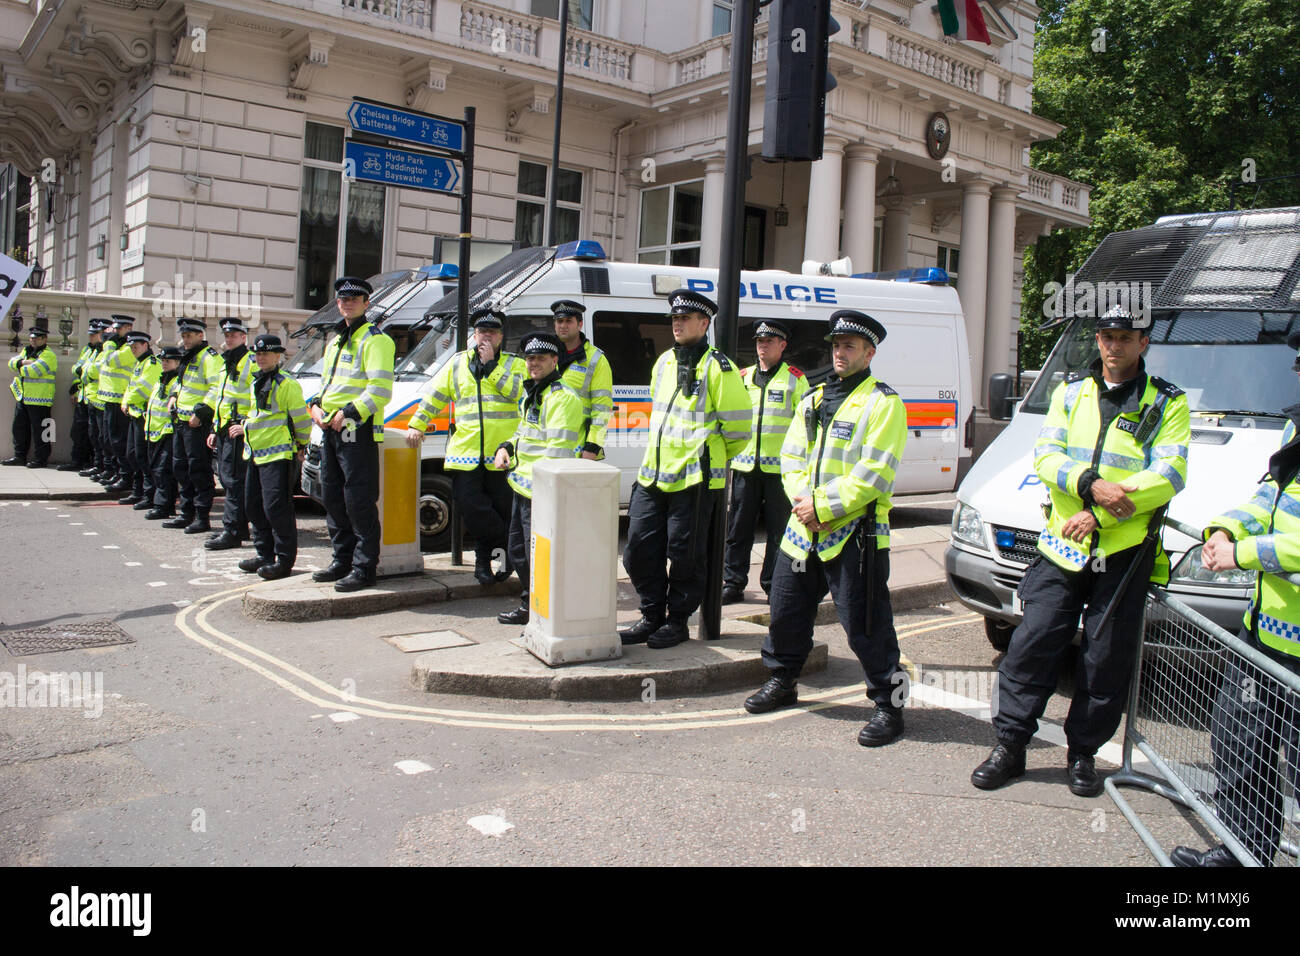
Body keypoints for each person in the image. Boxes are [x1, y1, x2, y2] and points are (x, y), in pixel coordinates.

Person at [971, 305, 1190, 796]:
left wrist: (1105, 513)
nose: (1114, 346)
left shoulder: (1166, 403)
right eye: (1106, 336)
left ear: (1143, 343)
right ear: (1097, 341)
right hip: (1062, 547)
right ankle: (1010, 746)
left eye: (1124, 337)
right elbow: (1047, 457)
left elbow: (1170, 475)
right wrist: (1091, 484)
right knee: (1032, 646)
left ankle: (1083, 755)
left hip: (1124, 552)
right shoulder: (1070, 395)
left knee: (1104, 658)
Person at [743, 310, 910, 748]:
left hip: (856, 533)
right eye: (836, 345)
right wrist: (804, 505)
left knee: (866, 624)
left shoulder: (884, 403)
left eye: (849, 346)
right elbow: (791, 457)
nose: (839, 352)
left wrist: (821, 506)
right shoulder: (814, 397)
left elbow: (875, 473)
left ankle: (889, 706)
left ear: (870, 353)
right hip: (803, 531)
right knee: (786, 611)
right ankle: (783, 681)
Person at [1170, 331, 1300, 867]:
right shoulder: (1298, 424)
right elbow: (1267, 495)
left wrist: (1243, 552)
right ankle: (1242, 853)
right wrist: (1224, 529)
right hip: (1266, 636)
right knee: (1241, 746)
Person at [619, 289, 751, 649]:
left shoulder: (718, 367)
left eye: (685, 318)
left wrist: (709, 457)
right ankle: (651, 615)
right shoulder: (662, 362)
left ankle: (677, 622)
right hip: (653, 475)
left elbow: (739, 431)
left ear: (704, 323)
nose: (677, 323)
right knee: (637, 550)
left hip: (695, 477)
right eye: (674, 319)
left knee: (685, 556)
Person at [406, 307, 524, 586]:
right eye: (482, 331)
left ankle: (488, 564)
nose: (487, 336)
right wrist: (417, 424)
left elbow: (520, 394)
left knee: (501, 508)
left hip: (502, 453)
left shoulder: (514, 364)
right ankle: (507, 545)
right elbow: (434, 396)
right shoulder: (458, 363)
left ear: (500, 336)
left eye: (492, 332)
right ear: (474, 335)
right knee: (471, 507)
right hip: (465, 452)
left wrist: (493, 367)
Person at [492, 331, 586, 625]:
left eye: (540, 358)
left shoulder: (562, 398)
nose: (533, 363)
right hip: (523, 487)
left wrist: (542, 490)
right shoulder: (533, 393)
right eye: (529, 358)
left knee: (541, 556)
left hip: (542, 492)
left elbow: (557, 453)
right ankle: (530, 606)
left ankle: (544, 613)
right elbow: (524, 433)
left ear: (555, 360)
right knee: (520, 553)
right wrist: (506, 447)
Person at [309, 276, 395, 593]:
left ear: (366, 303)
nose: (347, 303)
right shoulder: (335, 341)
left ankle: (364, 567)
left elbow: (380, 391)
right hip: (329, 429)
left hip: (356, 432)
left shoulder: (376, 340)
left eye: (354, 299)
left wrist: (348, 413)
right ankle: (341, 560)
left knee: (358, 501)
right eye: (343, 299)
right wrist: (316, 407)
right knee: (332, 497)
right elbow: (326, 388)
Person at [722, 319, 809, 604]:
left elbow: (806, 427)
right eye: (759, 341)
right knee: (738, 530)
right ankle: (733, 583)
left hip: (780, 472)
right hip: (745, 468)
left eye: (769, 342)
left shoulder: (796, 379)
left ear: (782, 346)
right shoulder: (742, 376)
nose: (763, 346)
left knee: (778, 532)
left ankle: (773, 584)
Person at [236, 334, 310, 581]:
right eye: (257, 354)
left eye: (266, 353)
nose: (261, 358)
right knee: (254, 507)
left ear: (278, 356)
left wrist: (302, 443)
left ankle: (283, 560)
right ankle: (264, 554)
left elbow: (301, 417)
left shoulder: (286, 383)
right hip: (256, 454)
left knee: (276, 509)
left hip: (278, 454)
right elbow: (255, 414)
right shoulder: (255, 380)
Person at [165, 317, 224, 533]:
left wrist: (201, 412)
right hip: (181, 421)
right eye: (183, 336)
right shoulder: (188, 357)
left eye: (189, 335)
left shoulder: (209, 358)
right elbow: (182, 383)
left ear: (201, 335)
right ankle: (186, 513)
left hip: (196, 424)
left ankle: (201, 517)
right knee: (181, 468)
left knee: (198, 470)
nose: (185, 340)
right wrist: (173, 395)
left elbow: (216, 387)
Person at [205, 317, 254, 551]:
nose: (229, 339)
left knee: (234, 480)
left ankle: (232, 531)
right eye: (227, 335)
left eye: (233, 335)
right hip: (225, 427)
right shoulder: (226, 361)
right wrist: (215, 428)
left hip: (239, 428)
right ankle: (239, 527)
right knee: (228, 478)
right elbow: (221, 398)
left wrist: (246, 423)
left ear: (244, 337)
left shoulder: (250, 361)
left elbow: (260, 398)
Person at [550, 299, 613, 460]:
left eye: (568, 321)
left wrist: (592, 447)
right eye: (559, 321)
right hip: (549, 448)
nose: (563, 325)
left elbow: (602, 409)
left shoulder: (596, 359)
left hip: (580, 450)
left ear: (579, 324)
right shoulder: (545, 357)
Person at [4, 324, 58, 468]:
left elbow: (34, 372)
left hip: (41, 399)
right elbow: (10, 363)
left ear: (44, 339)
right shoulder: (27, 351)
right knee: (19, 428)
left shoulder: (49, 355)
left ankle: (42, 459)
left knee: (43, 431)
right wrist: (24, 362)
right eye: (31, 338)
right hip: (23, 397)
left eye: (37, 338)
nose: (33, 341)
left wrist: (20, 366)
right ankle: (19, 456)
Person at [118, 330, 160, 508]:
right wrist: (125, 401)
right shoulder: (139, 363)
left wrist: (127, 401)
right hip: (134, 415)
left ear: (145, 345)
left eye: (136, 346)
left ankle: (148, 495)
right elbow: (130, 386)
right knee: (132, 455)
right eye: (131, 347)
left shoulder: (151, 364)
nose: (133, 349)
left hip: (143, 417)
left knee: (142, 457)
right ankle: (138, 491)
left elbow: (144, 389)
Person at [143, 346, 183, 520]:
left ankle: (162, 506)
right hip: (155, 431)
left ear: (178, 362)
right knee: (157, 469)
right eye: (163, 361)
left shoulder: (176, 381)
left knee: (162, 470)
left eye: (169, 361)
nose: (164, 364)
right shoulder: (162, 379)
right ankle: (167, 505)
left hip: (167, 431)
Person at [100, 315, 137, 492]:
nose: (114, 332)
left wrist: (108, 344)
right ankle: (117, 472)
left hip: (120, 400)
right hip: (109, 399)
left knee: (119, 441)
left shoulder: (130, 348)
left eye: (118, 329)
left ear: (128, 328)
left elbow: (110, 360)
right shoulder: (118, 346)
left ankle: (125, 476)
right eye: (114, 329)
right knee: (110, 440)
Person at [60, 320, 102, 472]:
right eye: (90, 335)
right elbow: (76, 368)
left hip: (96, 398)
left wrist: (83, 371)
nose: (90, 338)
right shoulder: (88, 350)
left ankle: (93, 463)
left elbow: (89, 371)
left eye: (93, 335)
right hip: (83, 395)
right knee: (78, 432)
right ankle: (77, 461)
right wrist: (75, 390)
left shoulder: (104, 351)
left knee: (95, 435)